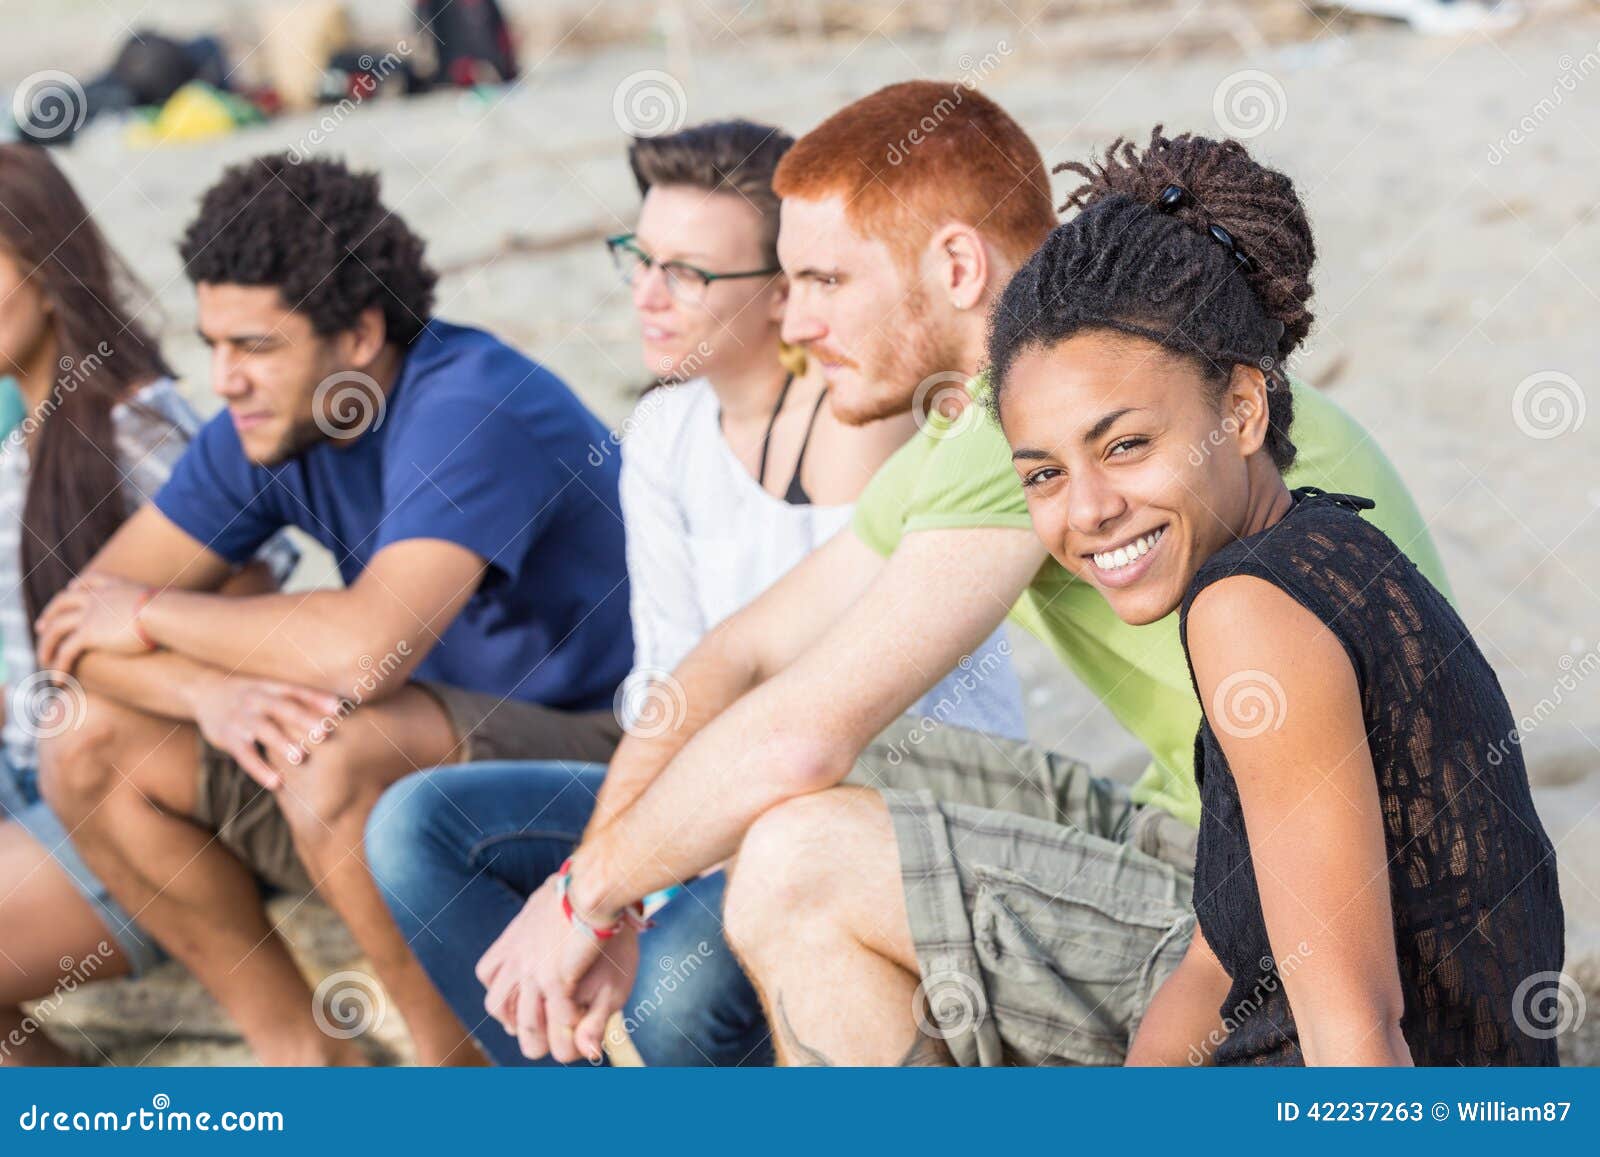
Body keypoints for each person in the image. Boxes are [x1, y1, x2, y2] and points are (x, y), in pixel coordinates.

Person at [451, 82, 1455, 1067]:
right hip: (1199, 837)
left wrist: (583, 898)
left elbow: (799, 734)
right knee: (788, 800)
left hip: (1324, 915)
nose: (794, 325)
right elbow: (743, 651)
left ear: (958, 264)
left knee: (798, 861)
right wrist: (604, 878)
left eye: (827, 282)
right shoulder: (1008, 411)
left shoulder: (1048, 404)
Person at [365, 118, 1025, 1066]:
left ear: (780, 292)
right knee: (416, 825)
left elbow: (829, 717)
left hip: (871, 794)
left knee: (673, 989)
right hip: (712, 777)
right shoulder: (667, 431)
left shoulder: (870, 415)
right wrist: (619, 869)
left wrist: (629, 880)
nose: (646, 295)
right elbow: (673, 673)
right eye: (638, 257)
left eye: (688, 273)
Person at [31, 153, 632, 1067]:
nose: (224, 379)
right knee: (87, 735)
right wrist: (206, 695)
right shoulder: (265, 422)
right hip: (429, 754)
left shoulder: (470, 402)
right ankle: (311, 1069)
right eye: (214, 345)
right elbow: (74, 633)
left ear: (356, 337)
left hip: (610, 751)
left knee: (334, 751)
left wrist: (153, 613)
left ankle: (455, 1082)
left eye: (255, 346)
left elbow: (365, 653)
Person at [985, 129, 1563, 1064]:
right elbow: (1225, 952)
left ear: (1244, 409)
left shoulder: (1249, 613)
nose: (1087, 508)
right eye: (1044, 473)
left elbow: (1356, 1034)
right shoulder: (1329, 547)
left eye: (1126, 444)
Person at [0, 143, 296, 1065]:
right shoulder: (24, 441)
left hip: (127, 797)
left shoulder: (138, 426)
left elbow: (252, 622)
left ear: (47, 271)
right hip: (28, 775)